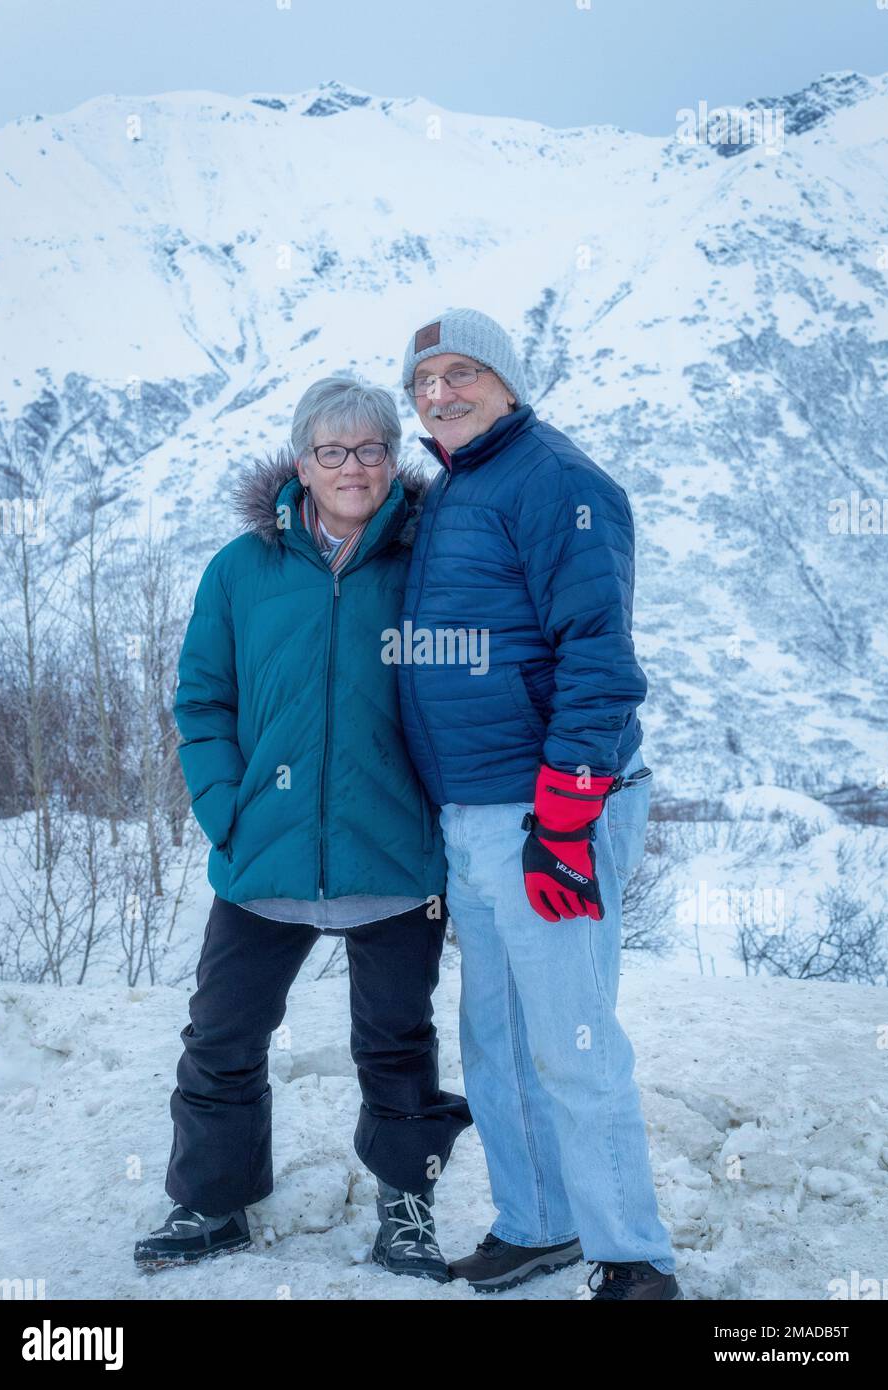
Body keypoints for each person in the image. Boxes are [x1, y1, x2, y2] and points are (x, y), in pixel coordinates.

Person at [134, 374, 472, 1281]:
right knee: (221, 1034)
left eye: (370, 449)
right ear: (302, 461)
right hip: (267, 848)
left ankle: (405, 1208)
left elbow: (465, 688)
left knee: (398, 1042)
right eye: (333, 451)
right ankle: (211, 1204)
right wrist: (225, 810)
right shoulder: (242, 567)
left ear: (392, 457)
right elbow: (202, 700)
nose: (353, 467)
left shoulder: (429, 556)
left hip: (394, 849)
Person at [396, 308, 682, 1300]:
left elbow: (600, 666)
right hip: (475, 816)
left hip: (551, 811)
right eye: (425, 380)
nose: (441, 392)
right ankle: (541, 1223)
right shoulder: (455, 487)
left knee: (572, 1038)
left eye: (462, 371)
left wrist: (562, 822)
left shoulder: (560, 482)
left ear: (508, 381)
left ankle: (634, 1256)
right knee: (500, 1040)